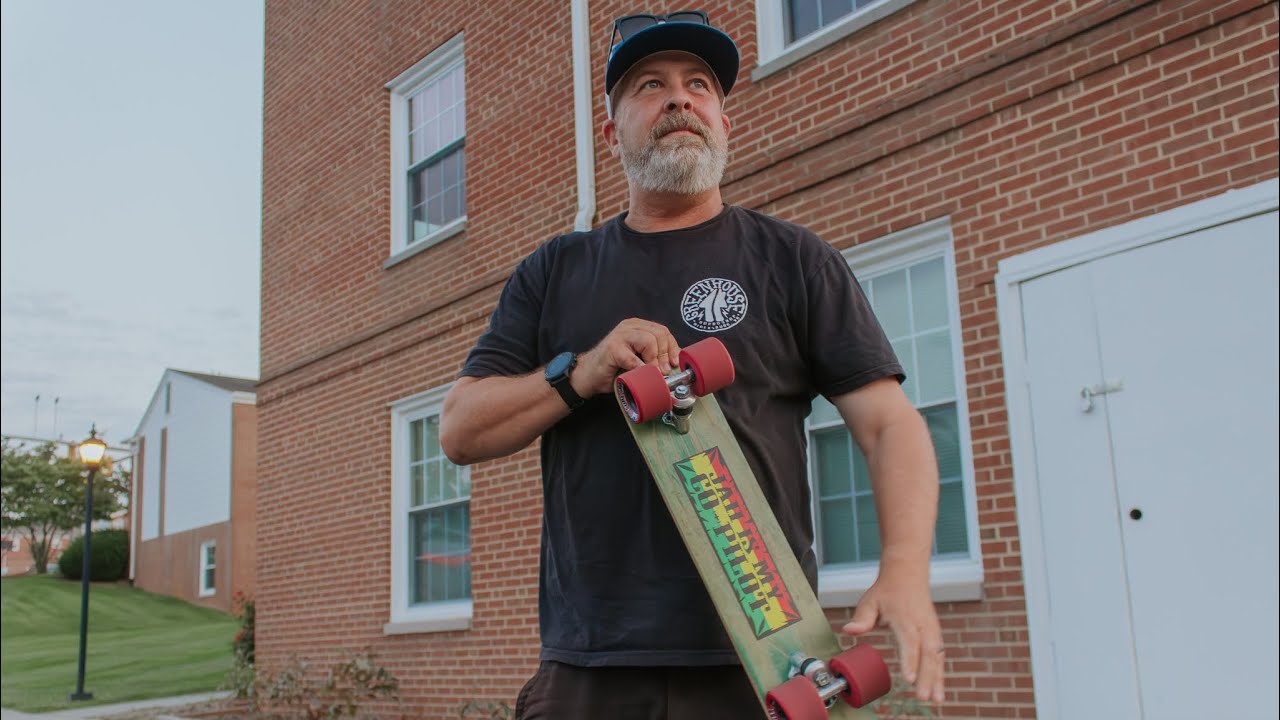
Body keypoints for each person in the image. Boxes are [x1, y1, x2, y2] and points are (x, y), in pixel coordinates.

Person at [440, 10, 945, 718]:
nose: (679, 97)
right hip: (591, 665)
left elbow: (890, 425)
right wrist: (580, 374)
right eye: (649, 85)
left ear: (724, 123)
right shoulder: (555, 272)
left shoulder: (793, 260)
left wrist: (905, 569)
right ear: (611, 132)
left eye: (698, 84)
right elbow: (459, 429)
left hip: (764, 660)